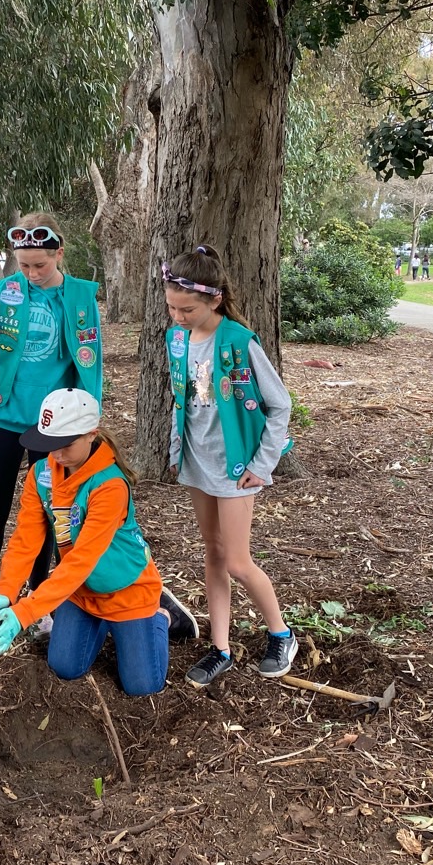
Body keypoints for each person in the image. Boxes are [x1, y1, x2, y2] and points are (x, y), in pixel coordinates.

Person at [0, 389, 198, 696]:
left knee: (142, 685)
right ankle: (105, 626)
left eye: (64, 445)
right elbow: (26, 538)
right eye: (48, 444)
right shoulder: (40, 475)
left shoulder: (110, 486)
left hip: (126, 590)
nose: (55, 454)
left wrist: (24, 613)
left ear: (91, 435)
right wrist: (5, 591)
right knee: (66, 666)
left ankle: (162, 614)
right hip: (79, 591)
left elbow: (82, 560)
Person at [163, 245, 296, 688]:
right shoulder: (177, 339)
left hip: (237, 467)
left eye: (188, 309)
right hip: (198, 462)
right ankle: (220, 647)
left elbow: (280, 405)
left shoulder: (240, 341)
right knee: (214, 555)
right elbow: (183, 400)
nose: (178, 317)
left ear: (215, 299)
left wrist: (263, 463)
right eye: (172, 308)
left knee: (238, 562)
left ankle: (281, 634)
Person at [0, 213, 103, 605]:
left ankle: (39, 594)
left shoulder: (78, 298)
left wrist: (87, 419)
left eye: (40, 264)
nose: (31, 273)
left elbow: (90, 364)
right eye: (23, 265)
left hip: (52, 424)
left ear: (59, 253)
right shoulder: (4, 293)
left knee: (48, 507)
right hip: (5, 418)